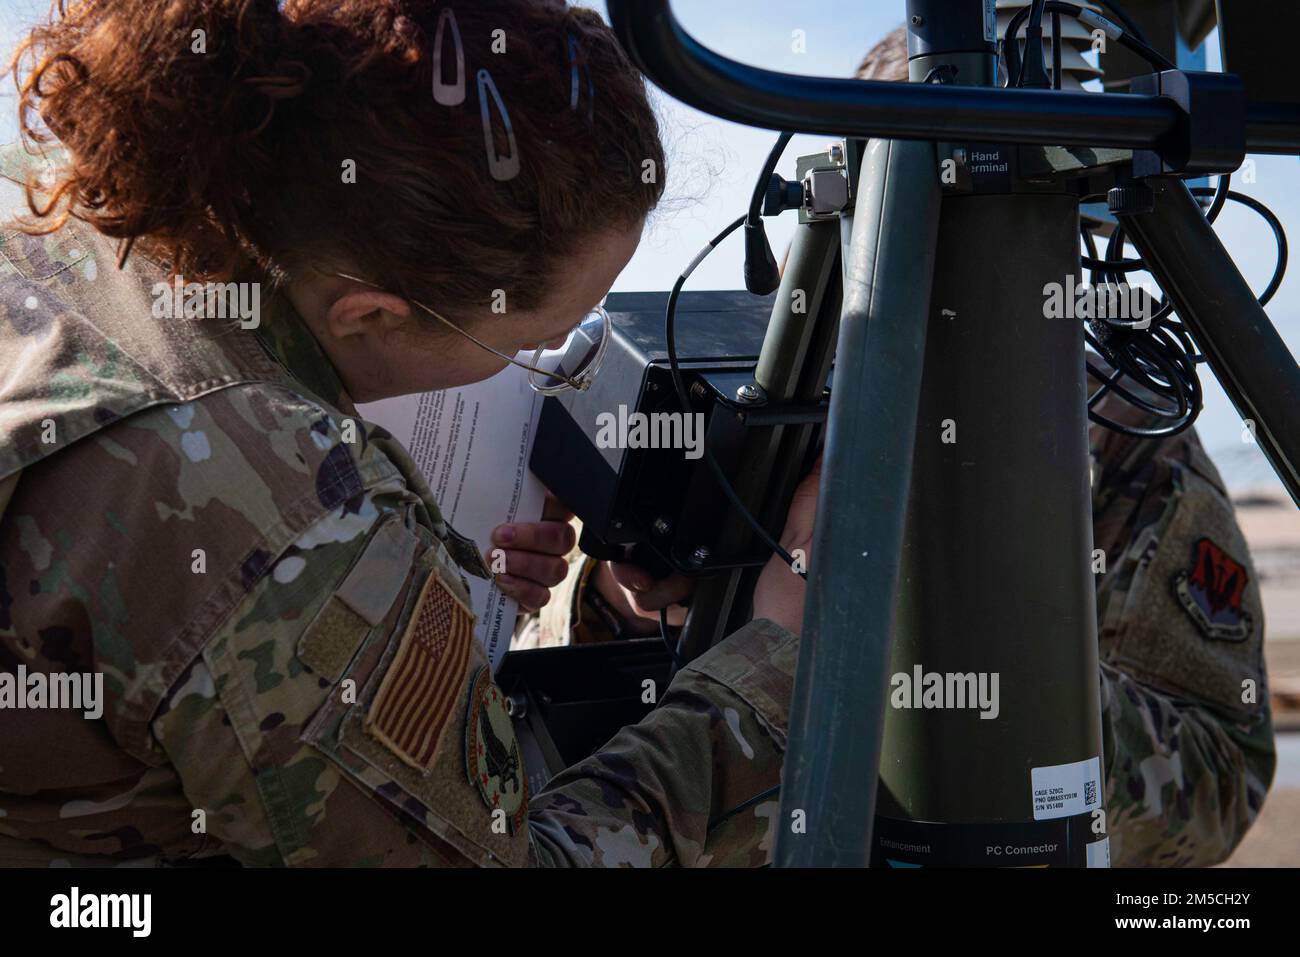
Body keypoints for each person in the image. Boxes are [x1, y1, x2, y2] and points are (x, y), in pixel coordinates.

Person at [0, 0, 811, 867]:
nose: (540, 366)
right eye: (530, 343)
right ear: (371, 315)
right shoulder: (299, 531)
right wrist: (779, 664)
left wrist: (441, 588)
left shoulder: (67, 227)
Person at [535, 25, 1277, 868]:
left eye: (961, 215)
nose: (928, 252)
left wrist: (974, 667)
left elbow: (1220, 778)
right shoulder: (773, 366)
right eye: (902, 206)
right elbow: (576, 753)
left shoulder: (1112, 421)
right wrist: (624, 598)